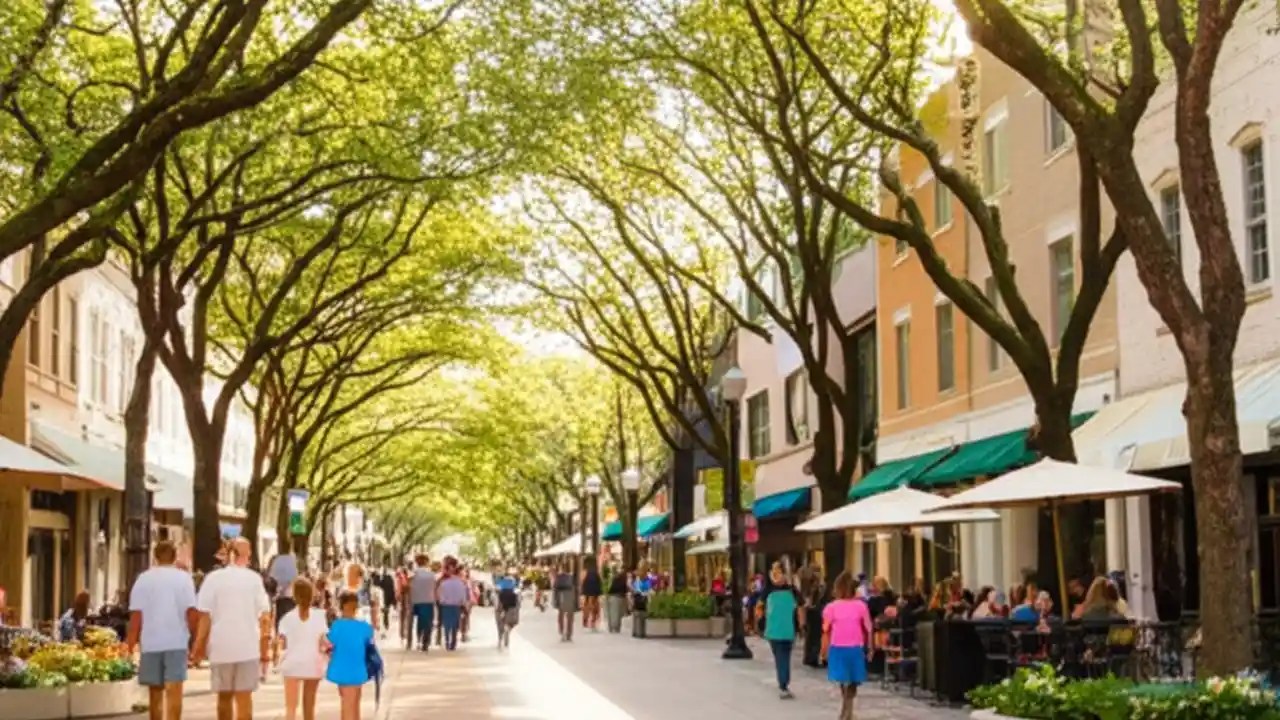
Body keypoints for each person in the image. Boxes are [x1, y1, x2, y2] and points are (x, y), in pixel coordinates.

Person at [193, 537, 271, 720]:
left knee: (224, 698)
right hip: (247, 647)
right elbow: (265, 617)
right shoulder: (254, 579)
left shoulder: (213, 579)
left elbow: (204, 616)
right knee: (244, 699)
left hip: (221, 647)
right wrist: (264, 648)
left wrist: (199, 645)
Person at [127, 541, 197, 720]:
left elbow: (136, 616)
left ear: (155, 557)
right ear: (175, 557)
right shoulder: (184, 579)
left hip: (151, 643)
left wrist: (130, 644)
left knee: (155, 693)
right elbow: (191, 612)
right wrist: (196, 641)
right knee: (174, 690)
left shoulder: (143, 579)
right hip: (176, 641)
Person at [823, 571, 873, 720]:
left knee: (843, 679)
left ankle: (846, 708)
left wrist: (824, 649)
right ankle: (848, 708)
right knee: (853, 680)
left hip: (838, 647)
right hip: (855, 647)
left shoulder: (831, 607)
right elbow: (868, 628)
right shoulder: (861, 606)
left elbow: (826, 629)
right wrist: (870, 647)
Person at [277, 579, 326, 720]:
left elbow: (283, 644)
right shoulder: (319, 616)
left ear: (294, 596)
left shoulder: (287, 618)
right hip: (312, 664)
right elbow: (322, 642)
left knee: (291, 708)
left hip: (292, 664)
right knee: (309, 708)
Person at [324, 591, 375, 720]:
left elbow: (330, 642)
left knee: (347, 704)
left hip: (342, 670)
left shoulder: (337, 626)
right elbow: (369, 638)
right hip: (358, 669)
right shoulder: (364, 627)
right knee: (354, 703)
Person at [760, 563, 805, 699]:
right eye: (774, 573)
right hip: (776, 631)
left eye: (779, 572)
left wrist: (802, 625)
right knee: (782, 657)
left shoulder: (772, 591)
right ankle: (784, 683)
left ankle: (783, 684)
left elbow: (800, 609)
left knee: (781, 657)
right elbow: (801, 608)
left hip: (783, 630)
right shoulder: (774, 590)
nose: (777, 576)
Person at [435, 561, 469, 651]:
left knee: (447, 625)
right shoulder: (461, 583)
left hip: (446, 606)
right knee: (455, 625)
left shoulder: (444, 583)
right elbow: (463, 596)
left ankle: (447, 641)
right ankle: (453, 642)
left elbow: (440, 596)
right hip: (456, 606)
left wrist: (442, 602)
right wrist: (463, 604)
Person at [407, 554, 436, 652]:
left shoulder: (413, 574)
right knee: (428, 623)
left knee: (420, 622)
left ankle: (418, 639)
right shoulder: (432, 575)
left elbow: (408, 587)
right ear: (427, 562)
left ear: (417, 562)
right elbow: (435, 587)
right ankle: (426, 642)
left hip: (416, 601)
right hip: (429, 600)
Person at [266, 553, 299, 632]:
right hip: (288, 601)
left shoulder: (281, 576)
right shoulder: (291, 575)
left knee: (282, 626)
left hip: (283, 601)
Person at [493, 567, 521, 649]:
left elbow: (495, 594)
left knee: (499, 621)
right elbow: (518, 595)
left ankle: (500, 637)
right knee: (512, 621)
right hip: (512, 603)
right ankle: (507, 629)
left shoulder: (499, 583)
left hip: (500, 603)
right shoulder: (514, 582)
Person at [551, 563, 576, 642]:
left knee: (561, 614)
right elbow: (575, 588)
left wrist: (555, 601)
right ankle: (569, 634)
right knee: (570, 616)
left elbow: (555, 589)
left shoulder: (558, 577)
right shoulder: (571, 577)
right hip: (569, 595)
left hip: (560, 596)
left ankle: (562, 632)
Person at [580, 557, 602, 631]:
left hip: (587, 590)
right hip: (596, 589)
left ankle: (585, 621)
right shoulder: (597, 571)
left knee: (586, 604)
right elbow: (600, 579)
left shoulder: (584, 571)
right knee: (595, 604)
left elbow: (582, 580)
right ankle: (593, 621)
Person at [605, 566, 628, 634]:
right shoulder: (622, 581)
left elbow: (610, 589)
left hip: (612, 597)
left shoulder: (613, 580)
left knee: (612, 613)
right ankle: (616, 627)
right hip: (619, 597)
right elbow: (625, 590)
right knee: (618, 614)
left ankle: (612, 627)